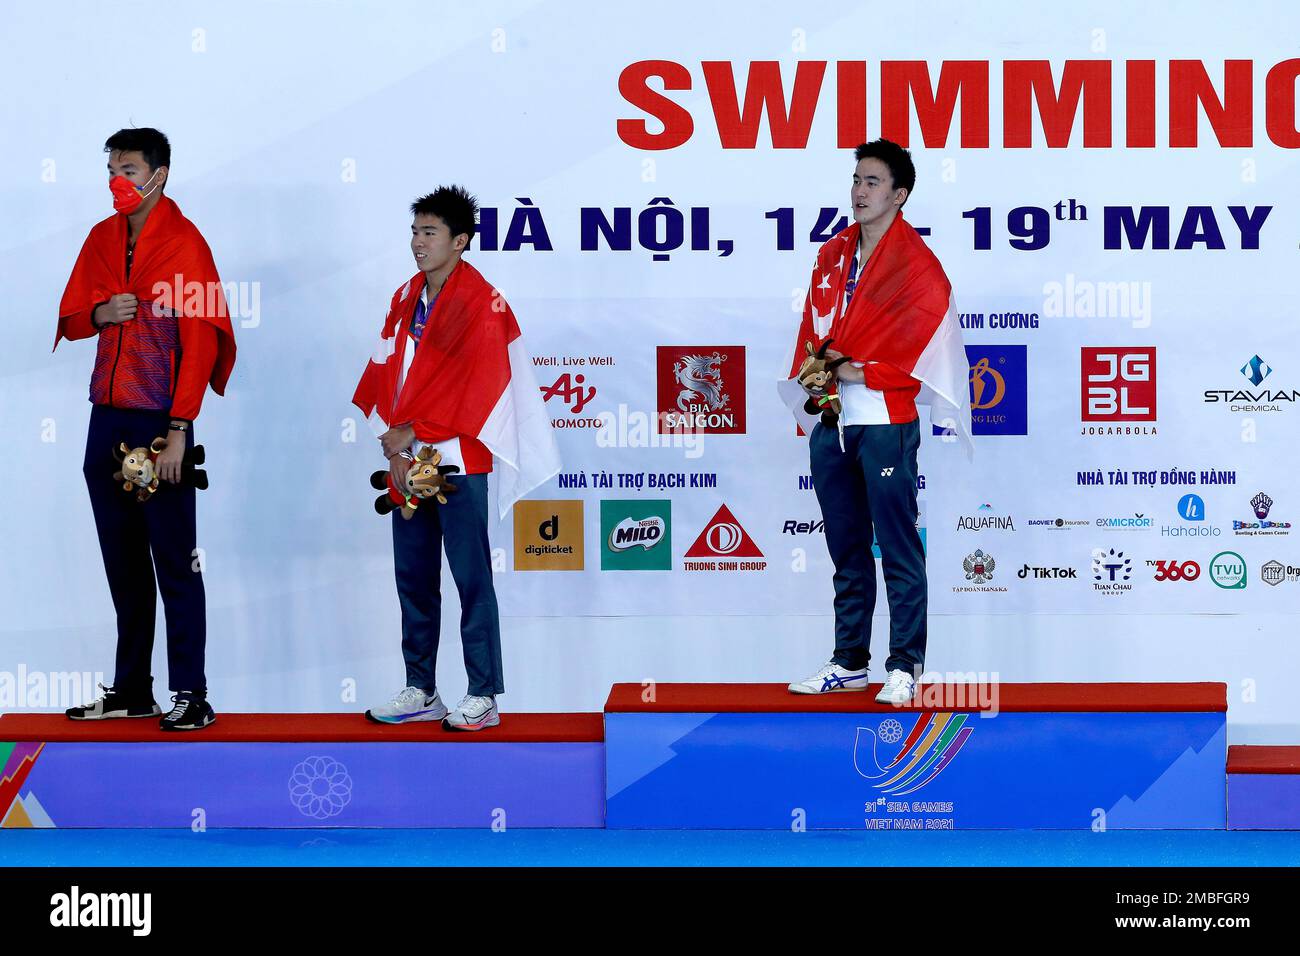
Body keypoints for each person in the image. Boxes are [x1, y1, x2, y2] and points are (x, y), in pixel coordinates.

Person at [352, 186, 559, 731]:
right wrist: (393, 438)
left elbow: (483, 384)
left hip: (460, 458)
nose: (418, 243)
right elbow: (386, 369)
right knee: (413, 577)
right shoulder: (405, 295)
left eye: (430, 233)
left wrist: (413, 429)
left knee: (471, 578)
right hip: (406, 459)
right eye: (415, 232)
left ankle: (484, 694)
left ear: (461, 241)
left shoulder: (482, 300)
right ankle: (421, 688)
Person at [57, 127, 237, 730]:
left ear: (159, 174)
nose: (118, 180)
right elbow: (72, 316)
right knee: (124, 565)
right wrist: (100, 313)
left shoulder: (185, 245)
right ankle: (132, 688)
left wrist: (181, 428)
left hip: (159, 421)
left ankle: (193, 693)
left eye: (129, 169)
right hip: (104, 420)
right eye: (111, 167)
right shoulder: (101, 238)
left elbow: (202, 339)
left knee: (175, 562)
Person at [781, 139, 969, 704]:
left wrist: (861, 370)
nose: (859, 191)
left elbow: (923, 344)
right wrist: (819, 375)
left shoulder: (916, 266)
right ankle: (848, 661)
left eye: (872, 182)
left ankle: (905, 663)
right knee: (846, 547)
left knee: (897, 543)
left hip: (886, 419)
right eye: (856, 180)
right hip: (833, 417)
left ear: (900, 194)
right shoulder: (833, 254)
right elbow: (816, 329)